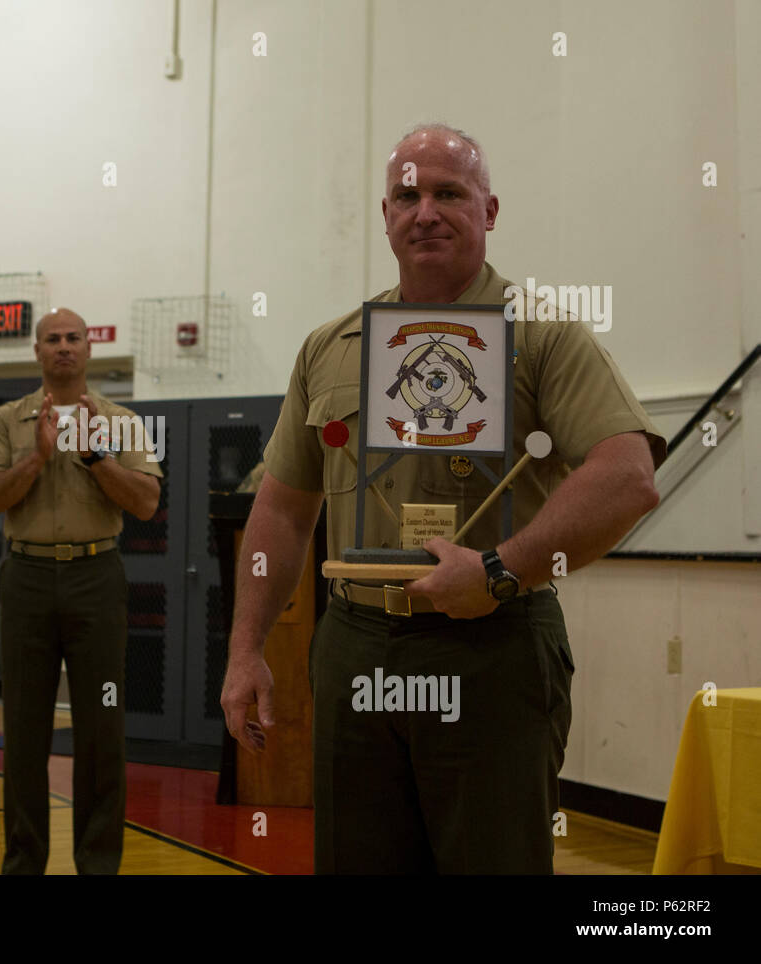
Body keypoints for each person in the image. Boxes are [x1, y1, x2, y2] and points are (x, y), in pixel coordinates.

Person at [220, 124, 666, 874]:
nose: (425, 211)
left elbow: (628, 476)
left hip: (493, 646)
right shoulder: (330, 348)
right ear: (386, 215)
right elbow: (283, 509)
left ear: (489, 211)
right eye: (407, 195)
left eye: (448, 193)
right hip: (355, 642)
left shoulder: (546, 335)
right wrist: (244, 651)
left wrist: (500, 569)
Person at [0, 307, 162, 874]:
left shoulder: (120, 421)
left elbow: (146, 503)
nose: (63, 347)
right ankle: (23, 863)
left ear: (89, 348)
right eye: (51, 339)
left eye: (73, 337)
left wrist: (95, 457)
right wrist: (38, 459)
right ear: (37, 351)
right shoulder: (8, 419)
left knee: (101, 728)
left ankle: (97, 864)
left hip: (95, 577)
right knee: (24, 730)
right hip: (27, 578)